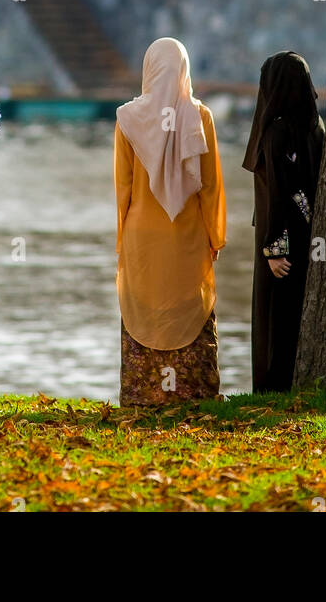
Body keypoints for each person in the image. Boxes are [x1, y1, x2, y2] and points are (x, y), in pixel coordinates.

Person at [114, 37, 226, 408]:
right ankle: (193, 392)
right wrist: (215, 235)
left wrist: (122, 242)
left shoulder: (127, 118)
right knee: (187, 308)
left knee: (146, 308)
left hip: (141, 236)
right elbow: (209, 187)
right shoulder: (200, 116)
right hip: (188, 237)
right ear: (184, 70)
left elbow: (124, 188)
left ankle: (143, 393)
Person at [243, 51, 325, 393]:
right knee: (296, 314)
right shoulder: (316, 126)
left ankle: (271, 388)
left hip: (281, 243)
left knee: (274, 315)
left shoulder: (276, 132)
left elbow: (279, 193)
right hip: (309, 237)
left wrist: (274, 248)